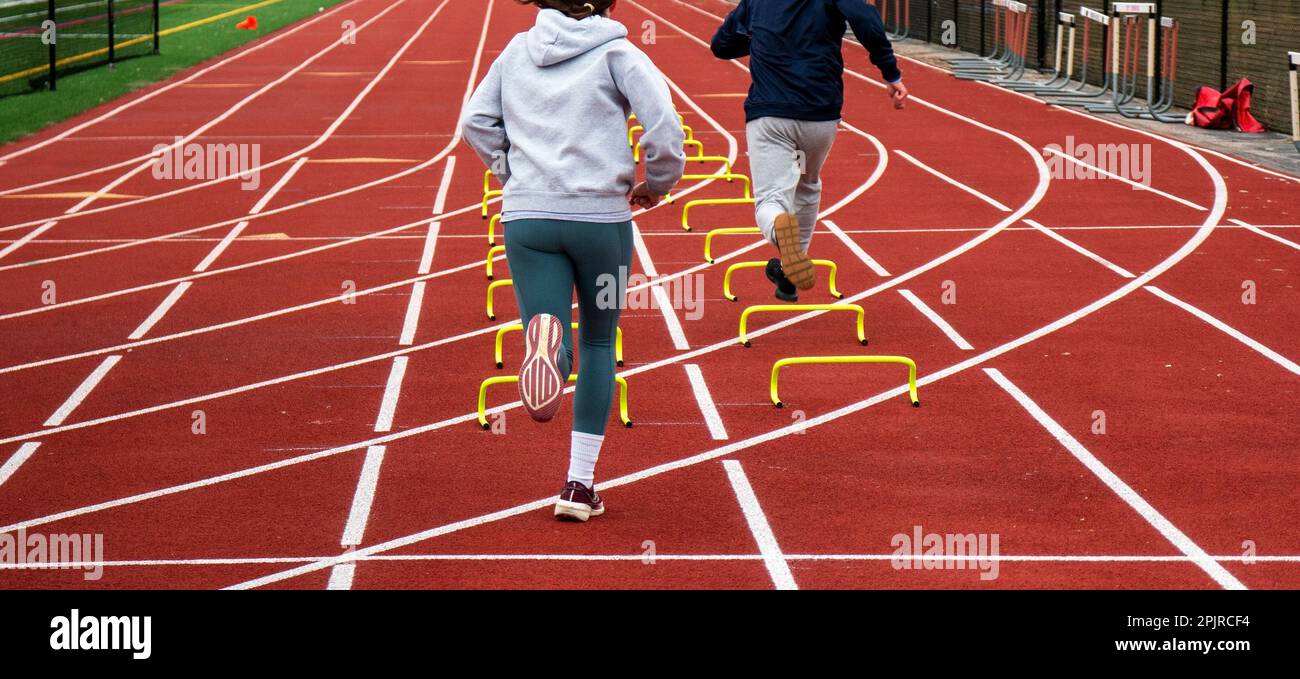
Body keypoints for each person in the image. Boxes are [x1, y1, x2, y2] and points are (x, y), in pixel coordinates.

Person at [462, 0, 685, 521]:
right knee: (600, 341)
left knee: (550, 325)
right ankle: (579, 486)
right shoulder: (619, 53)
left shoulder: (516, 51)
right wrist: (657, 183)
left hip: (528, 220)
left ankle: (545, 344)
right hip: (600, 223)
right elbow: (665, 129)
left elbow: (475, 121)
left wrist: (510, 171)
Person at [711, 0, 907, 302]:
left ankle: (780, 228)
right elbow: (865, 18)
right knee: (807, 185)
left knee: (770, 199)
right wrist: (890, 72)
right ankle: (790, 273)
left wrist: (768, 39)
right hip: (820, 116)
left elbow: (721, 46)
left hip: (771, 116)